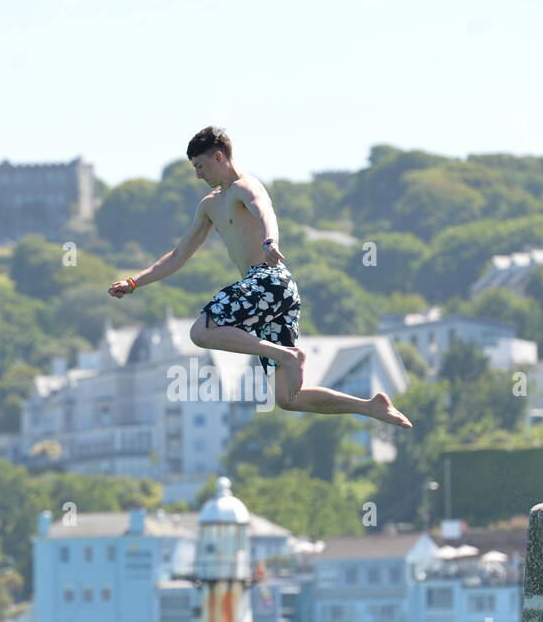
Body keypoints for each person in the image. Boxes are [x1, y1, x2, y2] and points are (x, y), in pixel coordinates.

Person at [108, 126, 412, 428]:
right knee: (289, 398)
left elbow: (265, 211)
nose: (198, 175)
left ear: (218, 157)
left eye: (200, 167)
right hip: (272, 295)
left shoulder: (245, 186)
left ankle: (288, 355)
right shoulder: (210, 206)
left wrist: (270, 242)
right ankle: (369, 406)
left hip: (269, 280)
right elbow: (178, 256)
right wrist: (134, 282)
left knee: (201, 332)